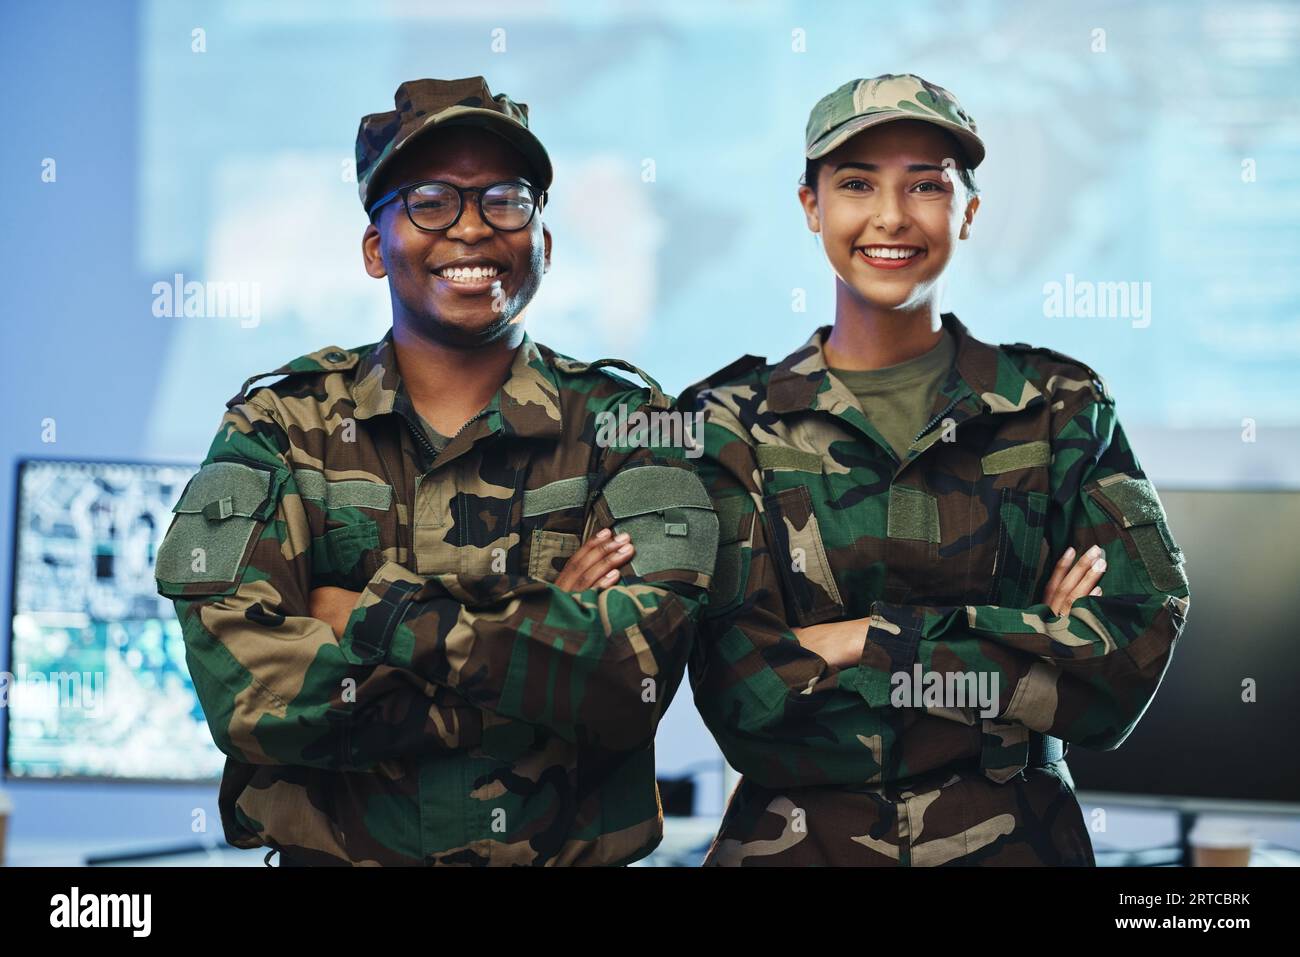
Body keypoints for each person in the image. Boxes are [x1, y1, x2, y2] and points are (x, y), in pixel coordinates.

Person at [154, 76, 717, 866]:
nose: (471, 228)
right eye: (429, 200)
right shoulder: (277, 429)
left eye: (505, 200)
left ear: (544, 244)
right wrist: (539, 659)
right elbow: (250, 697)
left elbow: (630, 685)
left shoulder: (629, 427)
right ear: (375, 248)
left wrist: (370, 615)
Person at [678, 73, 1190, 866]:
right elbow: (749, 696)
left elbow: (1118, 671)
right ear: (811, 207)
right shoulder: (728, 420)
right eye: (856, 184)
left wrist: (856, 640)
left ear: (970, 211)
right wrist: (1021, 643)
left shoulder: (1057, 405)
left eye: (926, 185)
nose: (891, 215)